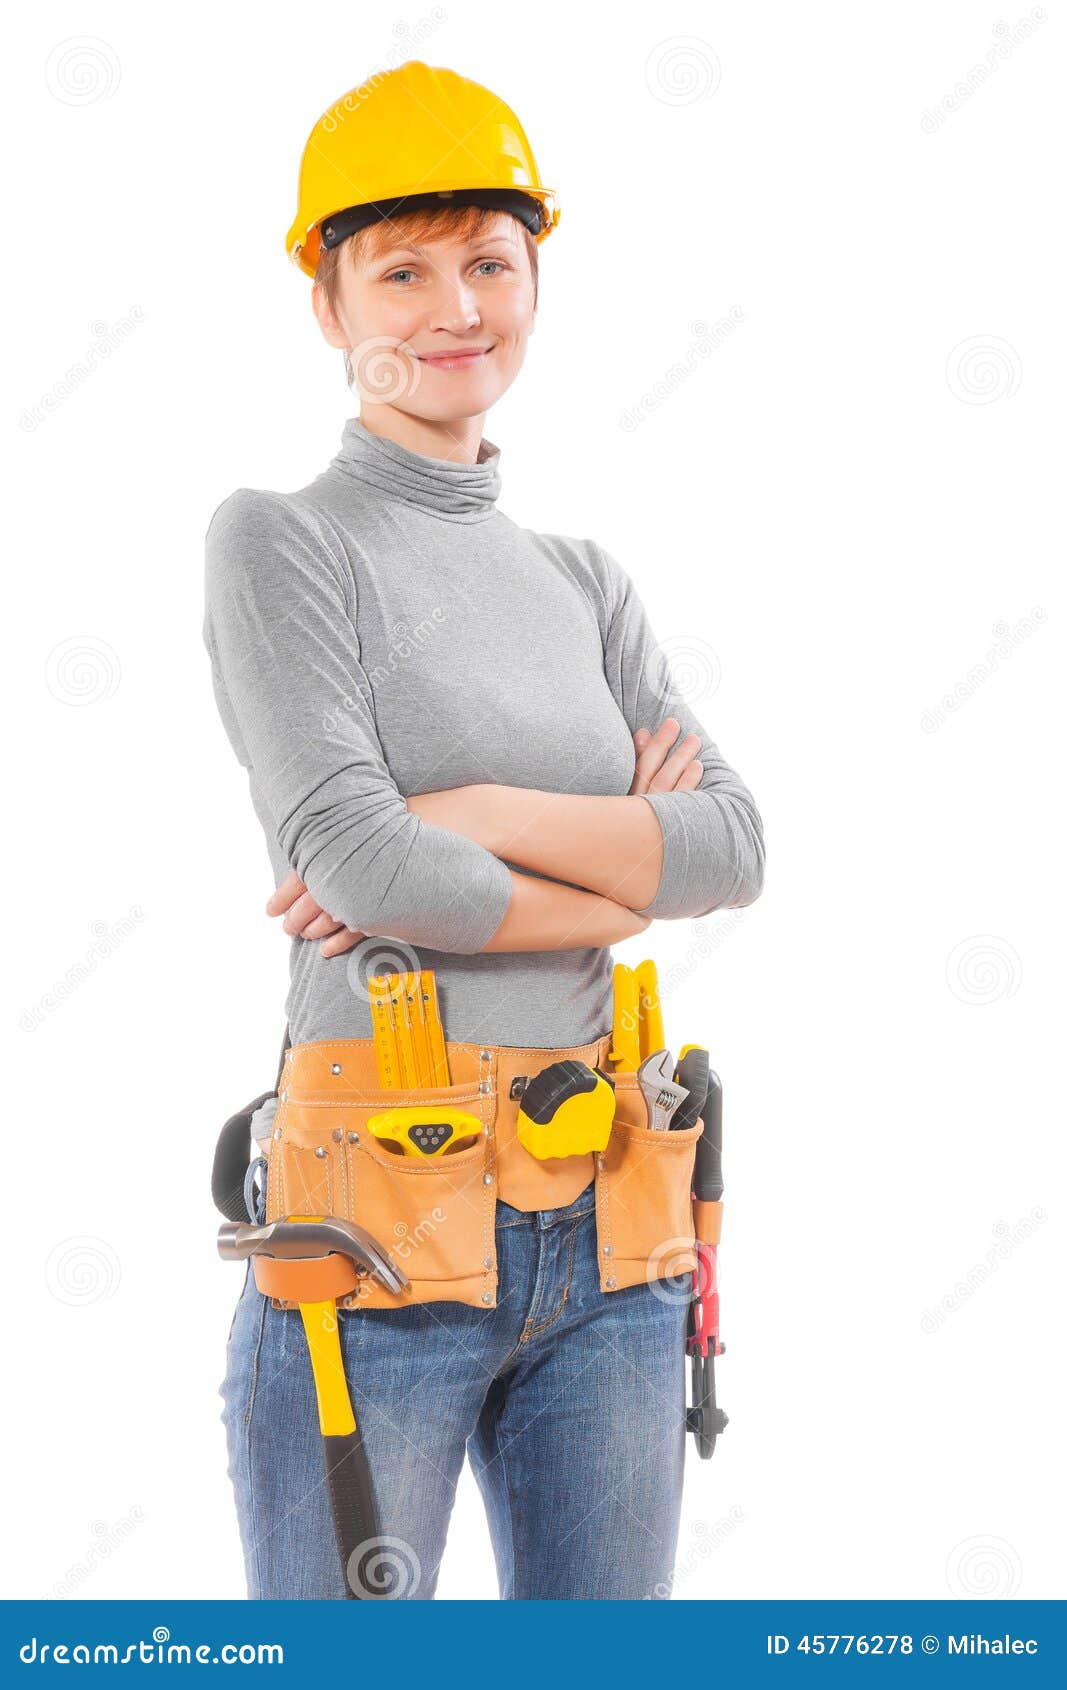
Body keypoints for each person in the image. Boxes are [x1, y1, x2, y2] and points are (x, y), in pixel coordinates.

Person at [204, 61, 765, 1601]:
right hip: (377, 1247)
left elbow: (734, 847)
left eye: (490, 261)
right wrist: (616, 873)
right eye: (402, 268)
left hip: (617, 1241)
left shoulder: (587, 579)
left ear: (534, 277)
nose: (455, 306)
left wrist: (484, 815)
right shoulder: (283, 541)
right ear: (329, 304)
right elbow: (368, 868)